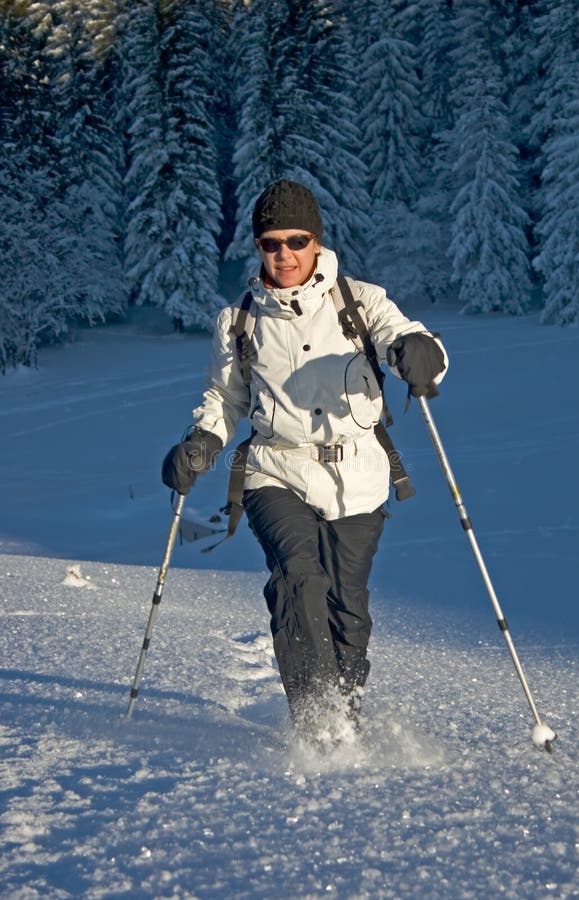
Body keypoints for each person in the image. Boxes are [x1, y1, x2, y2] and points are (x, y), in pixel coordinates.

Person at [162, 179, 447, 747]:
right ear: (259, 248)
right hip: (276, 470)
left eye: (296, 240)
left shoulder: (360, 301)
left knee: (348, 611)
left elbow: (410, 343)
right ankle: (318, 726)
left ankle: (346, 712)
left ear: (316, 241)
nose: (284, 253)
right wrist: (201, 441)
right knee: (297, 577)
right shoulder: (239, 321)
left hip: (358, 479)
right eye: (271, 243)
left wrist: (420, 356)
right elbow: (225, 398)